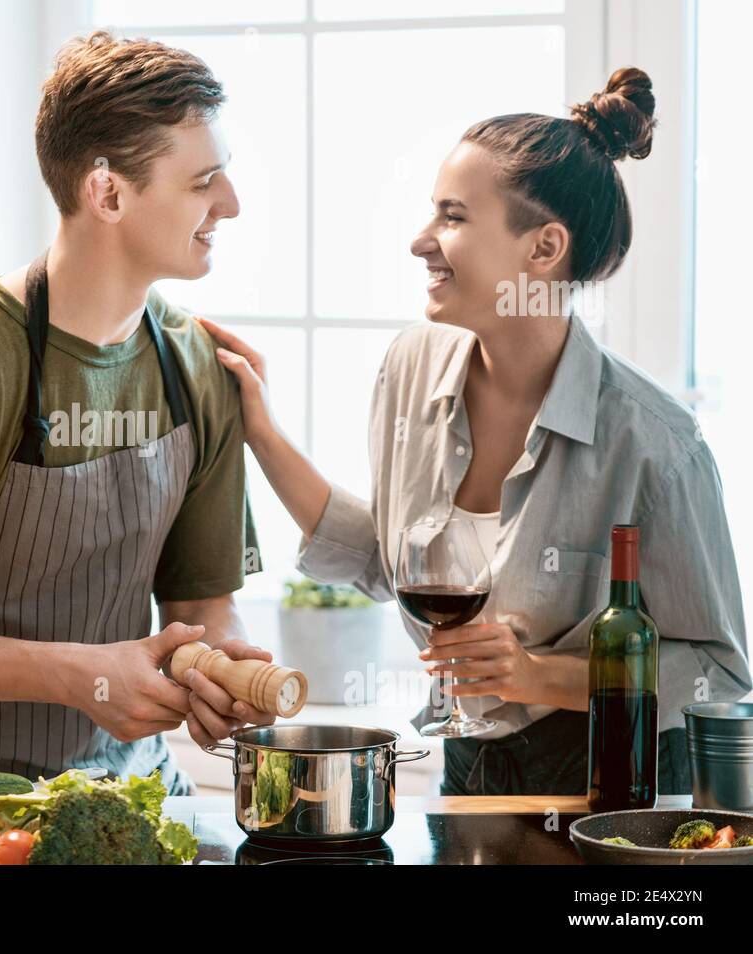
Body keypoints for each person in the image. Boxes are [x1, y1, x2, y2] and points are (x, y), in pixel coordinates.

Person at [202, 67, 751, 796]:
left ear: (543, 249)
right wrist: (261, 432)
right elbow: (382, 563)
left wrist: (538, 675)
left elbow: (717, 672)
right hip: (468, 763)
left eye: (454, 217)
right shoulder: (410, 368)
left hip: (610, 779)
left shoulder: (655, 443)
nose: (421, 241)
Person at [0, 31, 273, 795]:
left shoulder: (196, 364)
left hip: (139, 794)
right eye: (204, 181)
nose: (230, 203)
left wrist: (225, 666)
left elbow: (202, 602)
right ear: (107, 194)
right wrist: (76, 675)